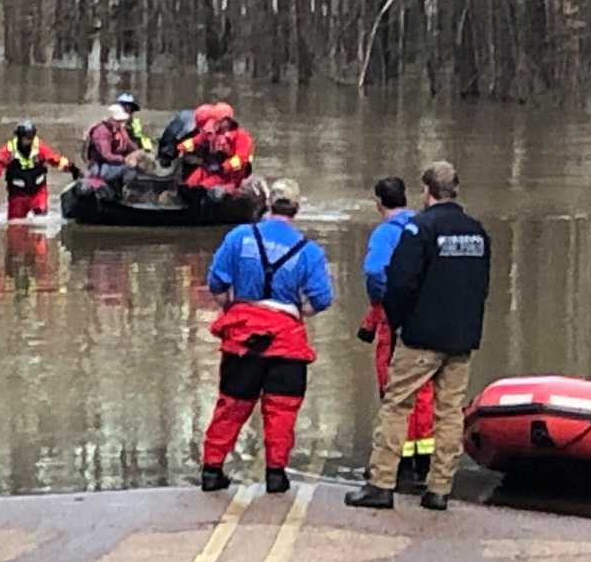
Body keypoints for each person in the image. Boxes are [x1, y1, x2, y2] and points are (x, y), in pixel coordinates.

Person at [345, 161, 491, 511]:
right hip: (461, 337)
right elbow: (481, 285)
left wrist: (400, 322)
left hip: (422, 335)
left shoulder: (419, 228)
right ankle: (439, 489)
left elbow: (399, 283)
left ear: (426, 191)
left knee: (397, 404)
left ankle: (381, 484)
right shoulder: (476, 232)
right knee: (450, 412)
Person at [201, 178, 334, 495]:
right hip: (287, 340)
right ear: (297, 209)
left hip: (243, 337)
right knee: (281, 410)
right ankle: (276, 474)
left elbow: (216, 282)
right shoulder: (309, 251)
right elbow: (321, 299)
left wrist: (234, 309)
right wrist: (296, 311)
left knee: (231, 405)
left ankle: (211, 470)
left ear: (268, 205)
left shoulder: (239, 237)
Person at [355, 176, 432, 488]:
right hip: (426, 316)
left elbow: (375, 271)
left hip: (395, 320)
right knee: (424, 388)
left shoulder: (385, 233)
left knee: (393, 389)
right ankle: (424, 464)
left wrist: (382, 301)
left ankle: (396, 462)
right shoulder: (424, 226)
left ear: (378, 202)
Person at [0, 120, 81, 219]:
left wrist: (72, 169)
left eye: (31, 137)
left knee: (41, 217)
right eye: (26, 137)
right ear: (19, 137)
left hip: (38, 190)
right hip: (18, 193)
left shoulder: (39, 148)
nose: (29, 140)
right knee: (16, 221)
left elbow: (55, 160)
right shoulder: (8, 151)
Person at [183, 102, 254, 197]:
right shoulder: (216, 133)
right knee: (189, 183)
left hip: (231, 174)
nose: (215, 123)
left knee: (204, 187)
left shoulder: (241, 136)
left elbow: (241, 158)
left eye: (218, 121)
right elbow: (197, 140)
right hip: (213, 167)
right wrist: (181, 147)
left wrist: (224, 167)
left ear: (227, 121)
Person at [85, 104, 139, 184]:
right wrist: (124, 160)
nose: (122, 123)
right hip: (100, 167)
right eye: (119, 121)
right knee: (130, 169)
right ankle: (124, 191)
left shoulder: (119, 129)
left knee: (138, 167)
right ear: (111, 120)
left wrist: (139, 153)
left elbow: (128, 143)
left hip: (113, 164)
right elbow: (106, 155)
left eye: (122, 120)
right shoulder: (102, 131)